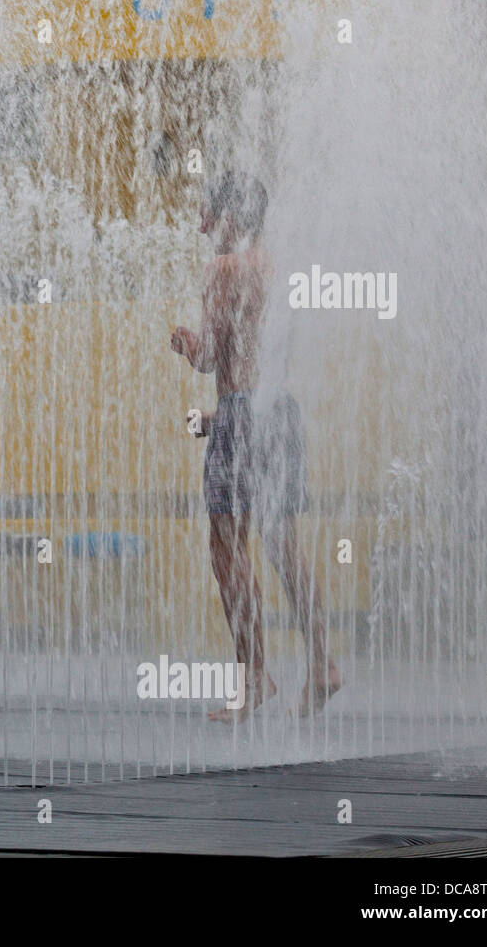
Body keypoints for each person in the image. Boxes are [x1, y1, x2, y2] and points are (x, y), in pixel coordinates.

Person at [170, 171, 342, 722]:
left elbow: (211, 359)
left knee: (226, 550)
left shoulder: (224, 268)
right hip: (280, 413)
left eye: (207, 216)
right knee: (285, 547)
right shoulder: (278, 265)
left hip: (240, 416)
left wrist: (185, 343)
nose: (200, 227)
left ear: (232, 220)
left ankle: (254, 678)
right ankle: (322, 664)